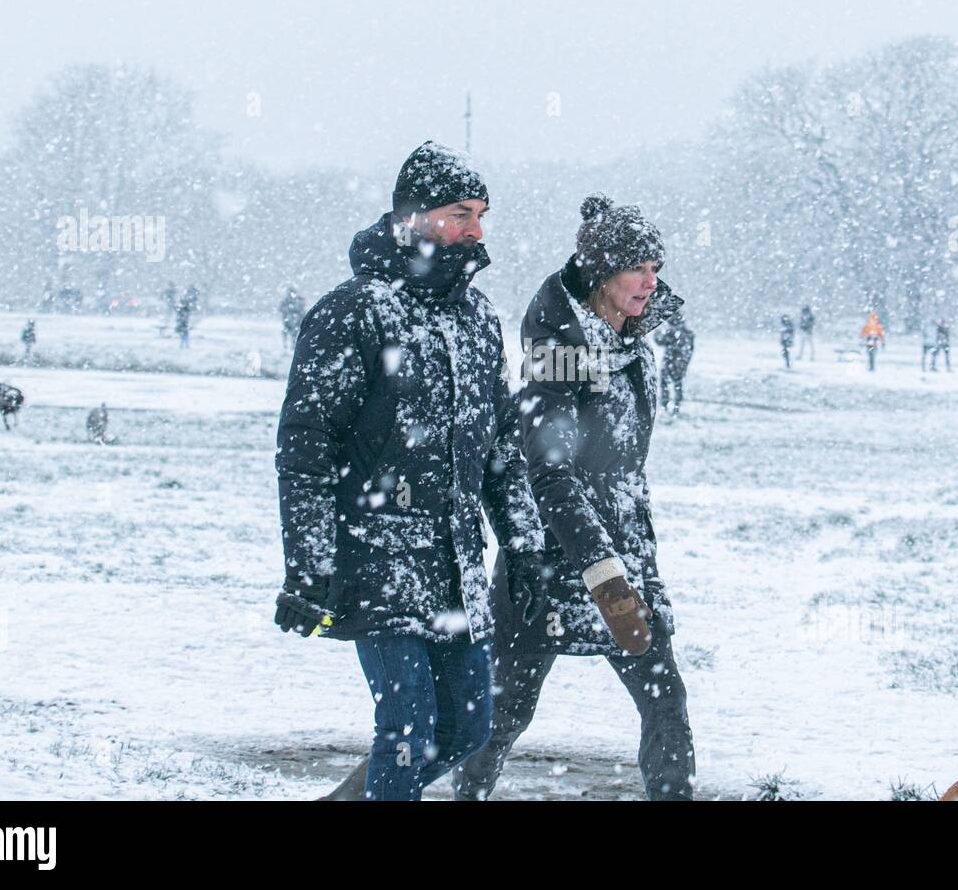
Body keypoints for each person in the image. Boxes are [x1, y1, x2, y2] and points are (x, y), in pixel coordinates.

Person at [274, 141, 547, 801]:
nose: (476, 229)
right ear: (413, 216)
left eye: (481, 214)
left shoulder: (478, 320)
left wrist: (525, 542)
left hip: (456, 562)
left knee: (467, 727)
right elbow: (305, 446)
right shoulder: (353, 311)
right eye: (461, 213)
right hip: (376, 552)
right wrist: (309, 565)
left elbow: (501, 447)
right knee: (409, 729)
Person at [453, 194, 696, 802]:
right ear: (601, 277)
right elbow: (551, 473)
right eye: (636, 268)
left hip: (622, 554)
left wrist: (631, 558)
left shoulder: (625, 345)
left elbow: (620, 472)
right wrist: (602, 569)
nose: (651, 281)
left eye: (655, 267)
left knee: (666, 704)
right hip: (551, 560)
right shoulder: (559, 350)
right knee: (503, 714)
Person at [655, 312, 695, 417]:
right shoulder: (683, 333)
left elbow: (661, 341)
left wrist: (659, 333)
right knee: (671, 384)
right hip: (672, 361)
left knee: (673, 384)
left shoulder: (680, 334)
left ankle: (673, 407)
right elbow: (660, 341)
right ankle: (670, 406)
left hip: (675, 362)